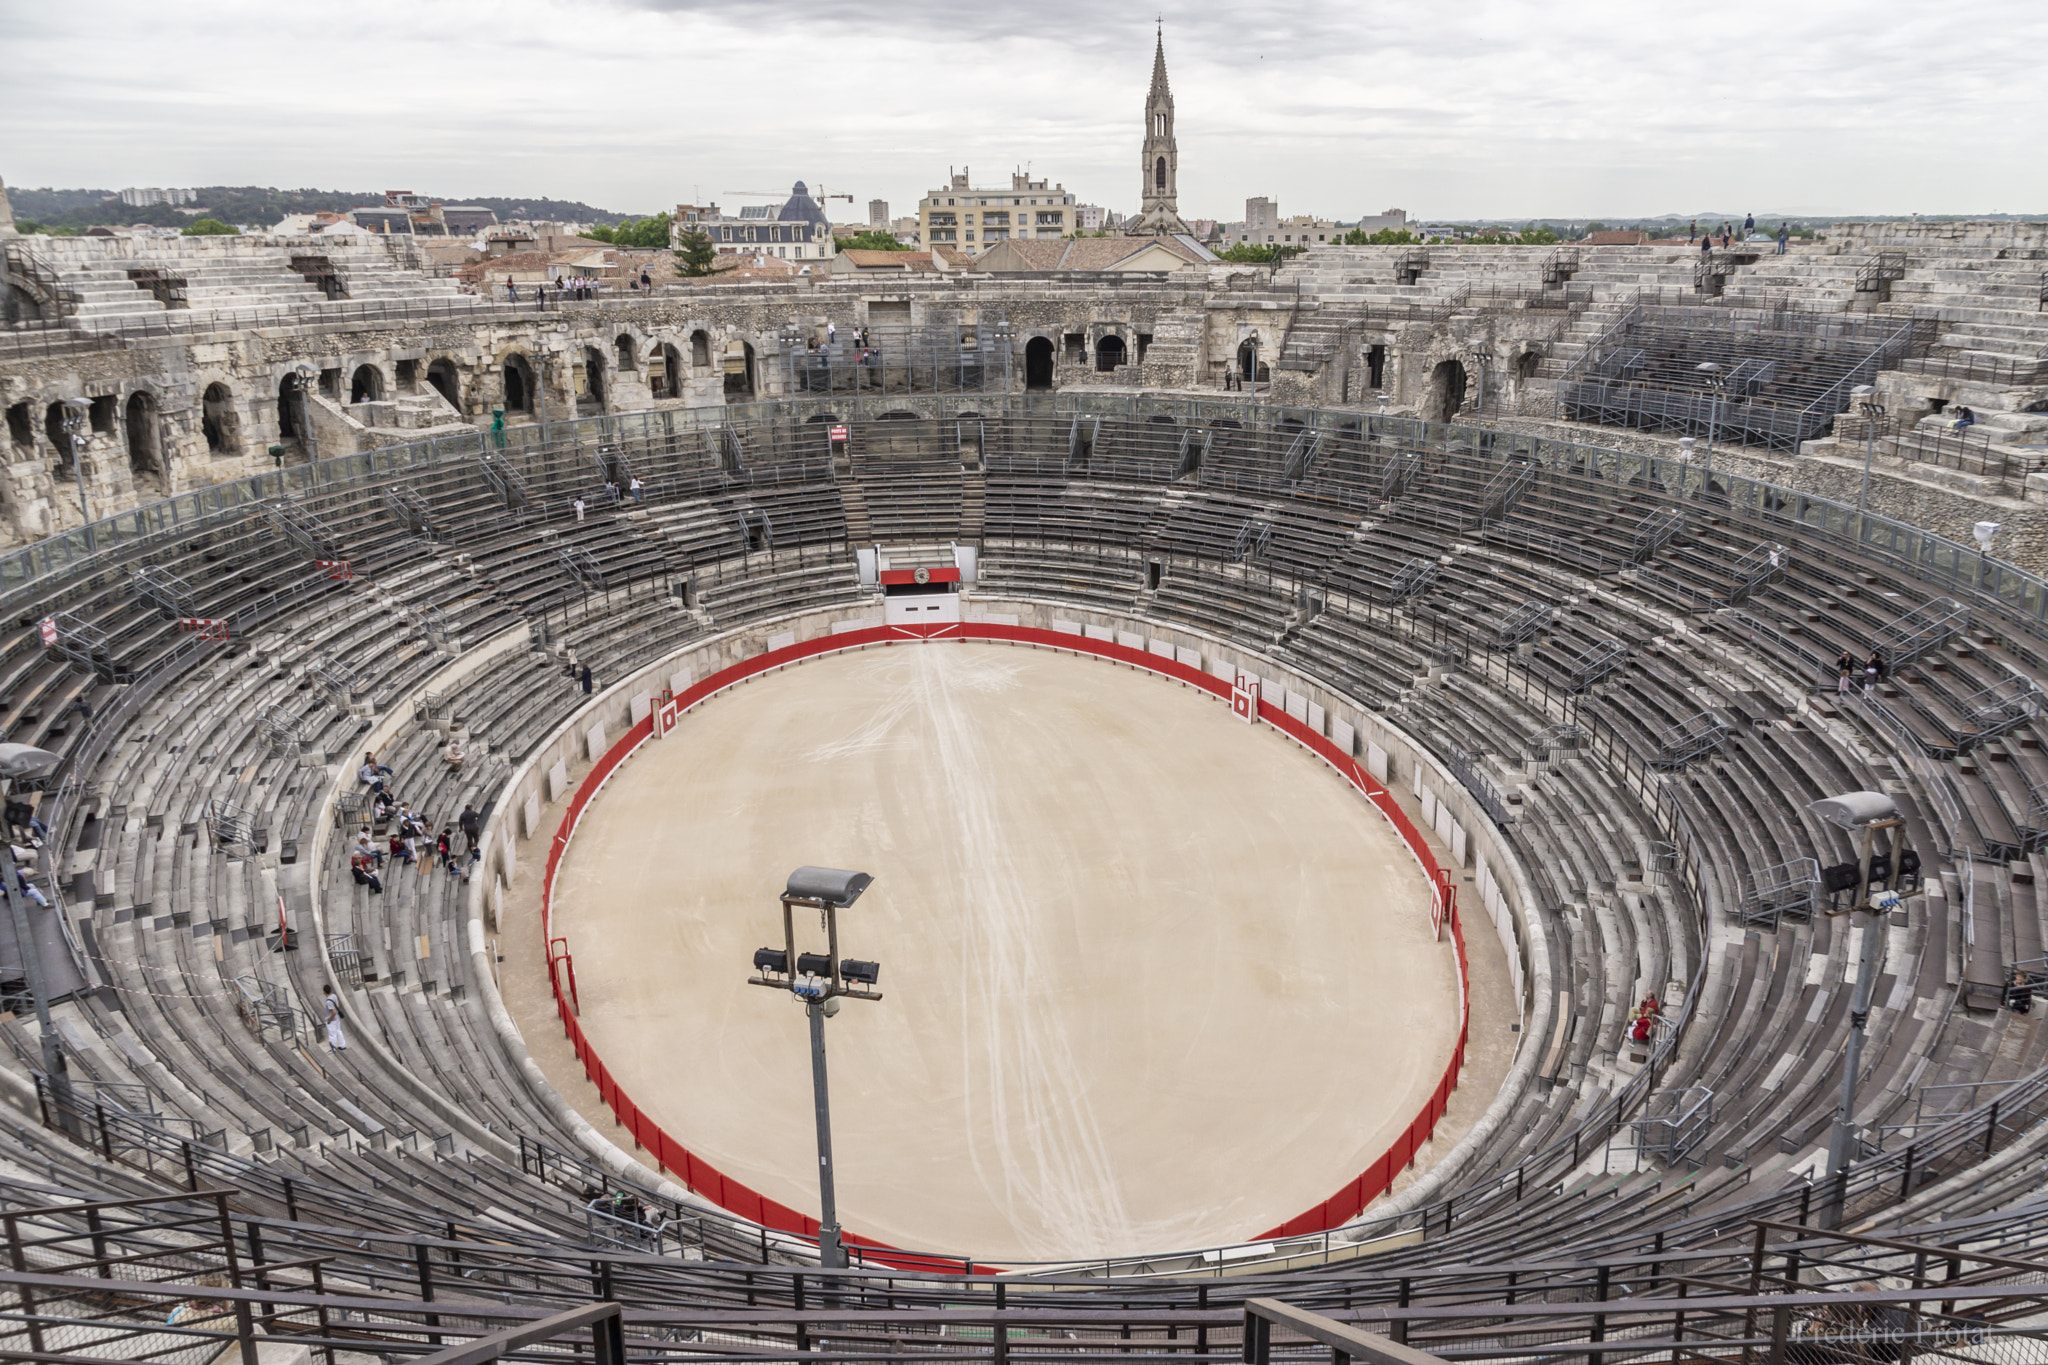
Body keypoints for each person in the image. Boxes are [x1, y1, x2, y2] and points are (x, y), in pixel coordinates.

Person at [323, 984, 347, 1050]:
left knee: (332, 1035)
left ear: (324, 991)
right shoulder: (334, 996)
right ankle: (342, 1045)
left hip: (332, 1020)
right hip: (337, 1017)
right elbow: (337, 1006)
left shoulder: (328, 1002)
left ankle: (333, 1049)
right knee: (338, 1031)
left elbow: (332, 1012)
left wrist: (329, 1020)